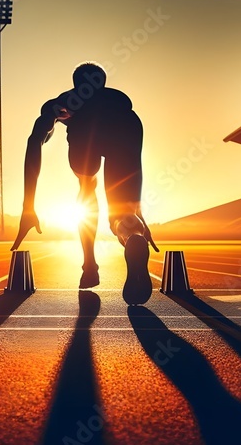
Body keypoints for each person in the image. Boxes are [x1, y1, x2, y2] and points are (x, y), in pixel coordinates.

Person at [11, 62, 159, 305]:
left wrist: (29, 206)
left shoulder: (63, 103)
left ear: (76, 83)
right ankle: (131, 235)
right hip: (126, 131)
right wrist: (137, 209)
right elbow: (135, 160)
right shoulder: (123, 107)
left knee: (87, 188)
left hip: (84, 135)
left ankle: (90, 266)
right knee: (123, 214)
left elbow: (34, 142)